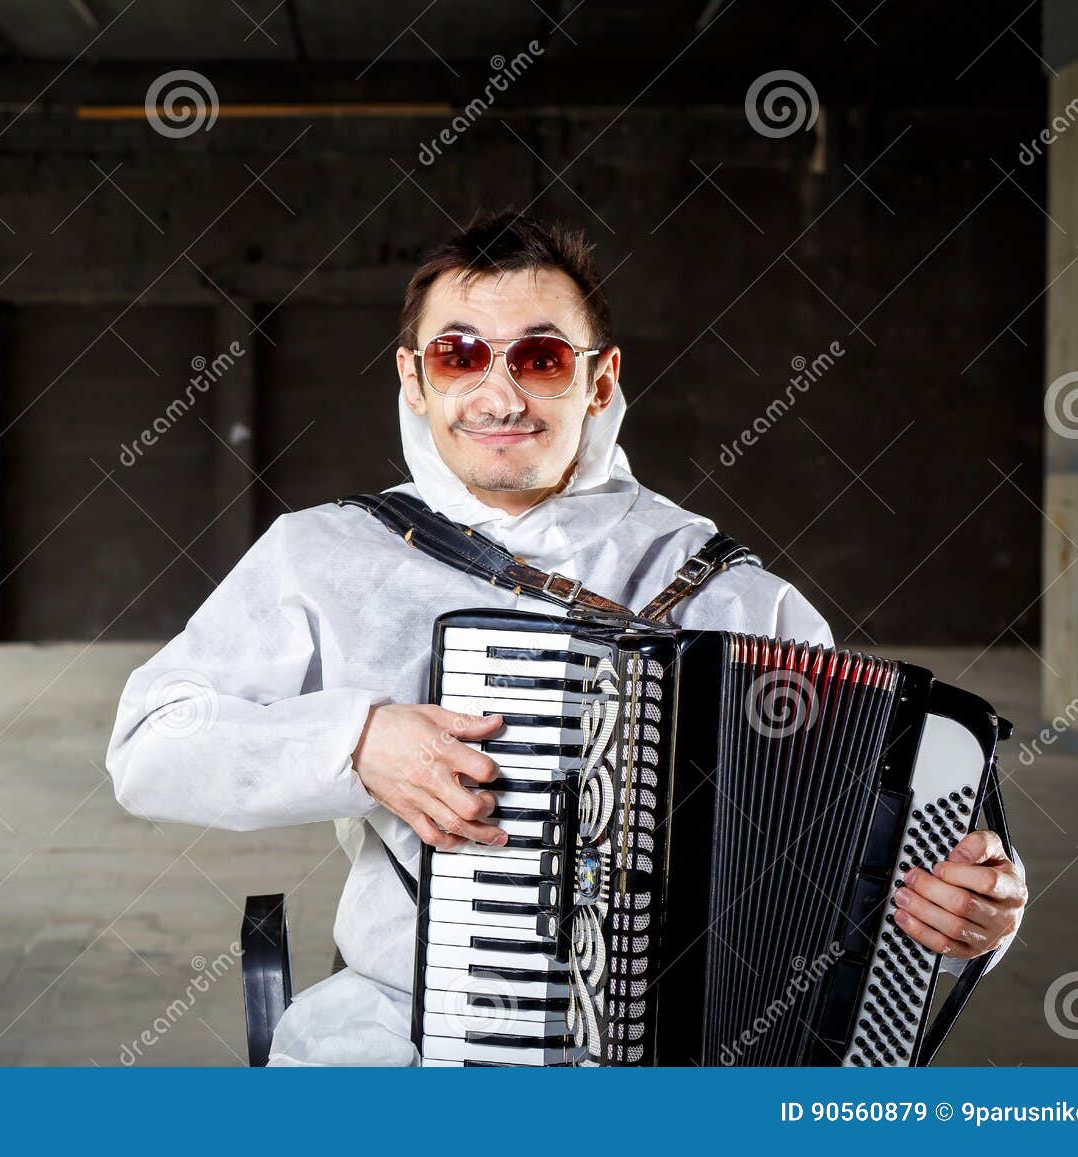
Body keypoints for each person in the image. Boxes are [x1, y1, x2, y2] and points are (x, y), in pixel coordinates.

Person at [105, 211, 1026, 1066]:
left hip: (700, 1058)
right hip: (407, 1030)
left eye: (540, 357)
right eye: (460, 353)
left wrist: (969, 911)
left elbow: (877, 863)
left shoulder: (738, 596)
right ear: (414, 380)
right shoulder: (324, 554)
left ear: (600, 379)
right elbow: (149, 748)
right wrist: (355, 738)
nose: (498, 391)